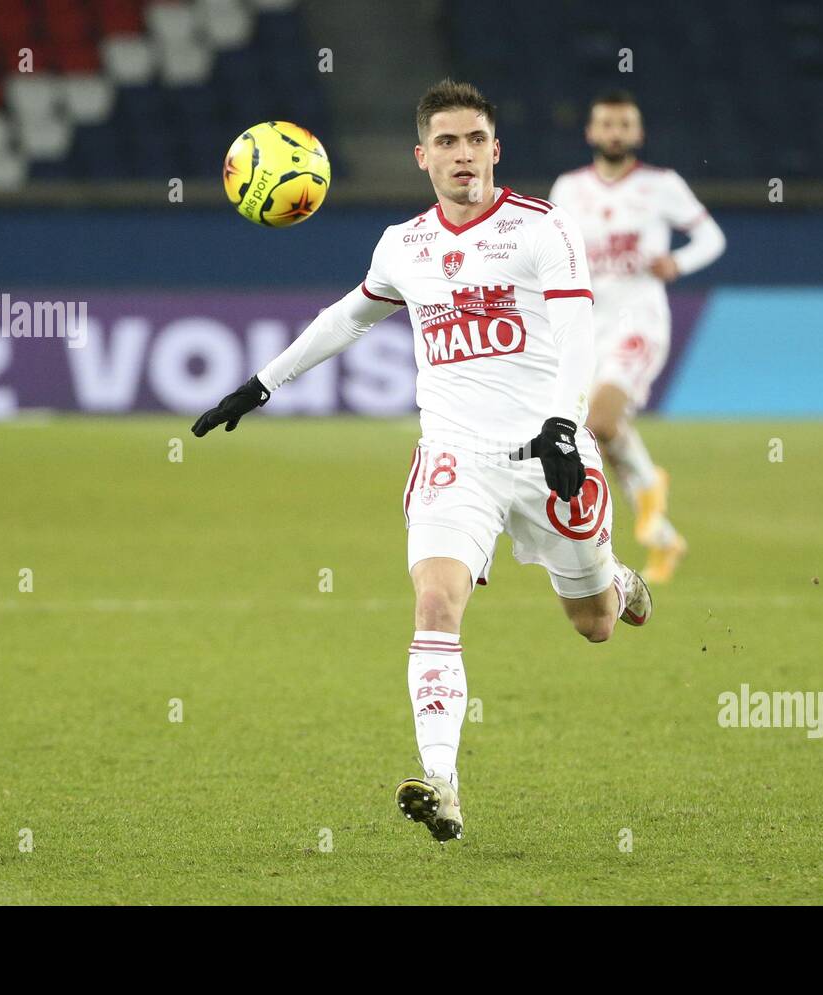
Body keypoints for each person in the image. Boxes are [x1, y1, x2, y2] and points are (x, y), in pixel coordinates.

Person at [192, 79, 651, 844]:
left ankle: (617, 578)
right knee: (435, 605)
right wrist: (262, 383)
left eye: (475, 140)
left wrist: (565, 426)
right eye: (447, 142)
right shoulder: (404, 245)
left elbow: (578, 329)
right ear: (422, 156)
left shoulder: (544, 230)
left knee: (594, 622)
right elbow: (348, 317)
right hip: (453, 458)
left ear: (496, 150)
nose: (462, 155)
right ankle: (442, 782)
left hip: (549, 453)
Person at [550, 92, 726, 583]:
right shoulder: (568, 188)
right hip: (586, 326)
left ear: (638, 134)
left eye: (624, 124)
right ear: (590, 132)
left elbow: (712, 238)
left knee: (601, 421)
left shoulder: (661, 185)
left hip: (639, 322)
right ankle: (664, 536)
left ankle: (651, 488)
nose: (615, 132)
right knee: (591, 433)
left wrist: (679, 262)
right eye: (606, 123)